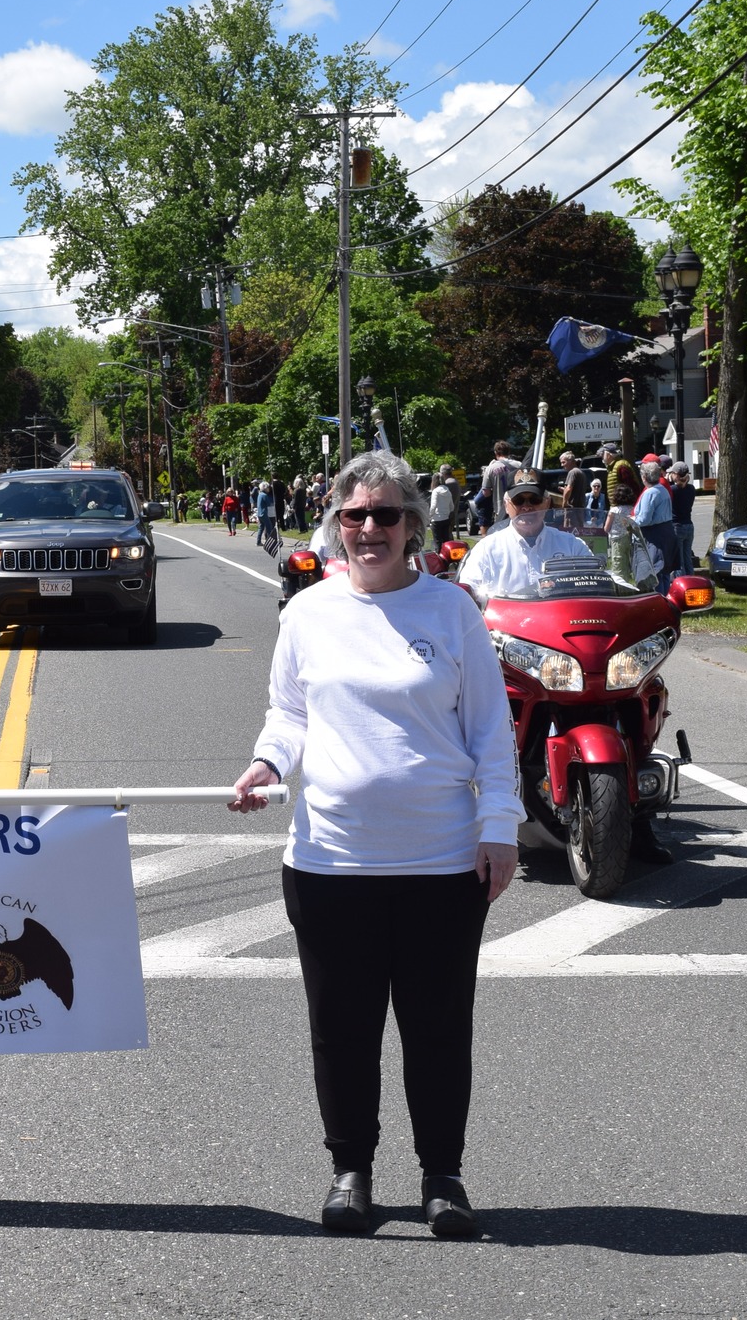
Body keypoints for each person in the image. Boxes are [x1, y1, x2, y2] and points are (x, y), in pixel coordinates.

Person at [229, 450, 520, 1238]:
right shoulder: (308, 614)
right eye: (353, 515)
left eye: (385, 515)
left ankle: (442, 1175)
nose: (368, 529)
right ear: (334, 525)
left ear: (413, 526)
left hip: (440, 863)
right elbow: (288, 716)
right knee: (343, 1028)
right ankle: (350, 1168)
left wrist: (499, 827)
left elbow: (491, 732)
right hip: (331, 862)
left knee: (437, 1028)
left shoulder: (452, 610)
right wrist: (265, 763)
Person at [455, 469, 596, 604]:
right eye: (518, 500)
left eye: (534, 499)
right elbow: (467, 593)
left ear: (547, 503)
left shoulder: (572, 546)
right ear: (506, 504)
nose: (527, 507)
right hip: (505, 626)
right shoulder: (486, 549)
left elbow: (601, 581)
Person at [632, 460, 680, 585]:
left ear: (644, 477)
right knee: (664, 574)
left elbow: (644, 519)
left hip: (655, 537)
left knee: (655, 575)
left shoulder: (650, 493)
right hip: (666, 533)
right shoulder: (663, 489)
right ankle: (666, 601)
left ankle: (658, 603)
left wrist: (630, 520)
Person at [667, 463, 698, 575]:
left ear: (676, 475)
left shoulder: (673, 490)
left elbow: (668, 492)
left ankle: (682, 583)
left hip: (677, 526)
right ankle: (691, 581)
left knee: (679, 561)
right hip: (689, 525)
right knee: (687, 558)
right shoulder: (691, 489)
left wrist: (668, 480)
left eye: (672, 473)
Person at [428, 466, 457, 545]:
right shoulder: (447, 491)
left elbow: (433, 506)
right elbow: (452, 507)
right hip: (446, 519)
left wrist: (429, 516)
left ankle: (439, 555)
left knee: (437, 542)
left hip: (436, 520)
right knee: (446, 541)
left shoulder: (435, 491)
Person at [255, 479, 279, 548]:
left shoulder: (260, 494)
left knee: (261, 527)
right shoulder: (265, 495)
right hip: (264, 513)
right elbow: (268, 503)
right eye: (268, 488)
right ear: (265, 488)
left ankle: (258, 541)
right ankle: (270, 542)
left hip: (259, 513)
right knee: (269, 527)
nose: (269, 489)